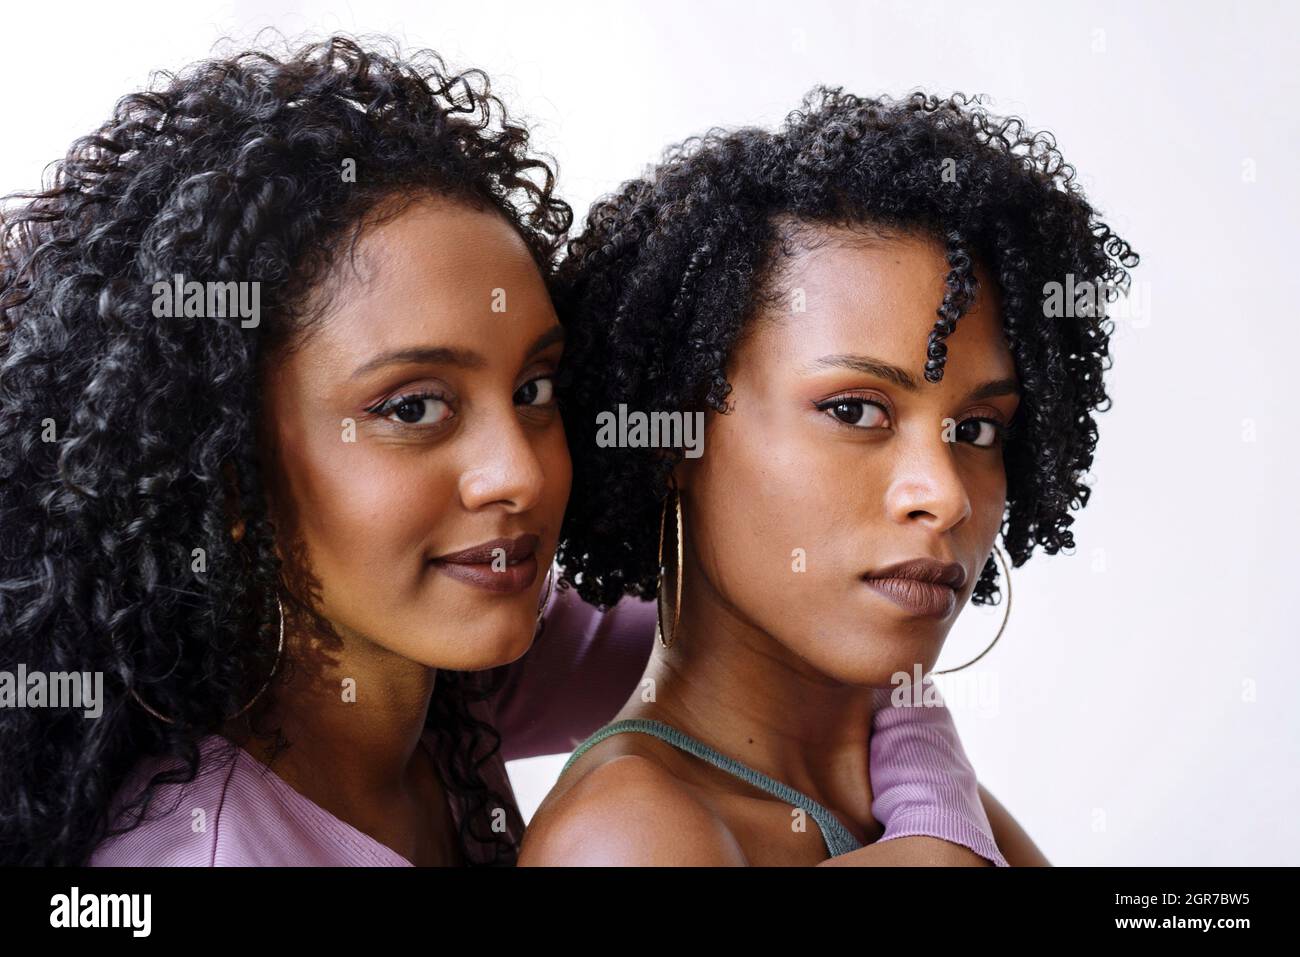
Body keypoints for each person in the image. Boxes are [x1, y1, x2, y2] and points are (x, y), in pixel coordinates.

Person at [0, 39, 1009, 867]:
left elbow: (817, 617)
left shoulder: (452, 664)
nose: (520, 473)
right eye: (412, 407)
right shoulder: (213, 853)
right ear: (232, 476)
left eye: (531, 390)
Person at [520, 87, 1136, 865]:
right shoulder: (632, 838)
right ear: (673, 434)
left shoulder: (926, 803)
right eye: (855, 411)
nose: (944, 494)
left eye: (977, 430)